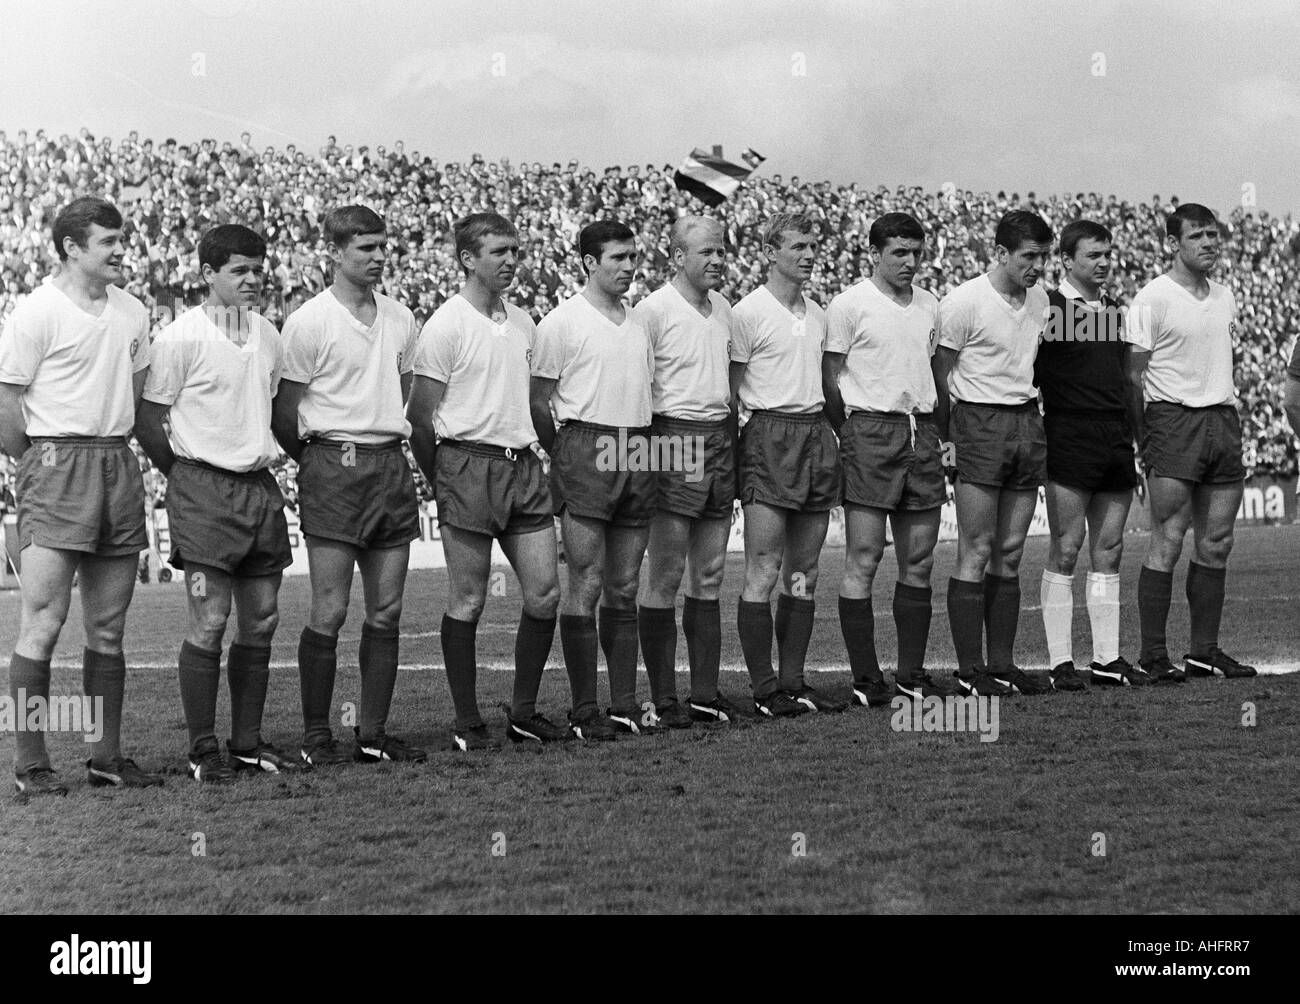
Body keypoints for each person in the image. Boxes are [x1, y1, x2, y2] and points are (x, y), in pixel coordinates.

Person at [0, 196, 163, 796]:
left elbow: (140, 397)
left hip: (117, 461)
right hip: (55, 461)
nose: (121, 251)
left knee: (109, 628)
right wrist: (41, 461)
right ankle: (31, 763)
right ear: (71, 247)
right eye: (108, 242)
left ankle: (106, 757)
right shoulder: (37, 311)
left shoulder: (133, 311)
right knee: (42, 620)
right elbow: (5, 406)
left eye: (121, 240)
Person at [135, 224, 301, 783]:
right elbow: (148, 418)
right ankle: (203, 748)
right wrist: (183, 473)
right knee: (210, 618)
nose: (254, 279)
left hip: (259, 489)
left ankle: (248, 743)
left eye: (259, 269)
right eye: (240, 270)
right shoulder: (180, 337)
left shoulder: (269, 334)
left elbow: (276, 407)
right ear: (208, 275)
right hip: (203, 490)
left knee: (263, 619)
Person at [271, 204, 427, 766]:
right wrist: (323, 461)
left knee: (387, 610)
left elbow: (405, 388)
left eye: (383, 246)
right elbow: (285, 415)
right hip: (334, 467)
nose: (379, 257)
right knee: (330, 610)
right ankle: (318, 734)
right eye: (365, 248)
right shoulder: (308, 321)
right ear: (334, 253)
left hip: (389, 465)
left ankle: (373, 733)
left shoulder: (401, 316)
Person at [407, 213, 566, 749]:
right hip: (466, 463)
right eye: (498, 252)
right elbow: (420, 419)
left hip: (522, 466)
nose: (510, 261)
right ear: (467, 259)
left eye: (515, 251)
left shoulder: (526, 323)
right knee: (470, 598)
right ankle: (467, 720)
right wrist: (444, 480)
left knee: (545, 593)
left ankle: (522, 712)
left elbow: (538, 400)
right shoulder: (445, 325)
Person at [530, 220, 656, 740]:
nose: (628, 267)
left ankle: (624, 702)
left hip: (640, 446)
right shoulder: (561, 323)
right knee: (584, 581)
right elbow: (538, 401)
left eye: (632, 258)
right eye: (617, 259)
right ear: (589, 263)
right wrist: (565, 450)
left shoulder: (641, 322)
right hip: (586, 445)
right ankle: (584, 707)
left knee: (624, 585)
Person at [1124, 203, 1255, 681]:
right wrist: (1146, 441)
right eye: (1197, 235)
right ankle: (1154, 655)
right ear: (1172, 243)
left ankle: (1205, 651)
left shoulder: (1225, 295)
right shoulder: (1151, 299)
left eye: (1213, 235)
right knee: (1168, 537)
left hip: (1223, 419)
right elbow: (1132, 379)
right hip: (1173, 421)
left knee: (1217, 541)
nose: (1209, 243)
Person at [823, 212, 947, 704]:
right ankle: (866, 679)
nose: (910, 262)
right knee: (865, 557)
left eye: (916, 252)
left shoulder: (930, 305)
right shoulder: (849, 305)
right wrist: (849, 431)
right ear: (874, 253)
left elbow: (937, 376)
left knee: (919, 560)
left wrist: (940, 435)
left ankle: (911, 675)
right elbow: (829, 379)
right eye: (899, 252)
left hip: (920, 432)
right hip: (869, 430)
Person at [934, 211, 1055, 697]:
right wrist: (948, 440)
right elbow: (939, 375)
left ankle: (1002, 665)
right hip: (978, 422)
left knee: (1011, 551)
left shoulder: (1043, 301)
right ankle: (969, 670)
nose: (1037, 266)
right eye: (1029, 256)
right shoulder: (963, 301)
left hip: (1026, 421)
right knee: (976, 549)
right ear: (1001, 253)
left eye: (1043, 257)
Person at [635, 216, 749, 727]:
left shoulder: (725, 309)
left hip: (718, 439)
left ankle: (704, 693)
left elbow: (731, 386)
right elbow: (637, 391)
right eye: (705, 251)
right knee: (664, 573)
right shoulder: (652, 311)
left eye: (721, 250)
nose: (717, 259)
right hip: (670, 439)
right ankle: (663, 697)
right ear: (677, 257)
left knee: (710, 573)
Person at [731, 213, 844, 716]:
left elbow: (827, 383)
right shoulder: (747, 312)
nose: (808, 253)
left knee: (806, 569)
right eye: (797, 245)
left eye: (813, 244)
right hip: (768, 436)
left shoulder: (820, 313)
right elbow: (728, 391)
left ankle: (795, 679)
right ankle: (763, 687)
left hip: (815, 436)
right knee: (763, 566)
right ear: (770, 252)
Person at [1035, 220, 1141, 689]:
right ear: (1067, 260)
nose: (1102, 263)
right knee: (1066, 547)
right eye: (1092, 256)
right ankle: (1060, 662)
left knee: (1110, 549)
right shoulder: (1048, 309)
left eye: (1106, 254)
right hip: (1068, 434)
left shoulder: (1116, 311)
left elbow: (1125, 378)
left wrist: (1137, 438)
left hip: (1114, 438)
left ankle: (1106, 659)